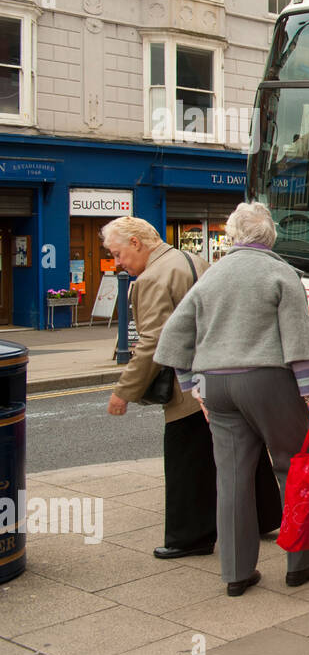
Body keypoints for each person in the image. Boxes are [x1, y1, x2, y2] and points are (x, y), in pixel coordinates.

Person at [155, 202, 309, 597]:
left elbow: (173, 336)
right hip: (267, 380)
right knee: (293, 468)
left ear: (233, 236)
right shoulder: (281, 274)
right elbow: (298, 343)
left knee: (231, 477)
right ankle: (300, 564)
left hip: (217, 384)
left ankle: (236, 574)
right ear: (270, 236)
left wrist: (193, 388)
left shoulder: (212, 277)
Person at [103, 217, 281, 561]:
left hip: (190, 384)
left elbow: (154, 342)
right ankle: (264, 516)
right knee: (241, 446)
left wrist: (124, 390)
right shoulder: (190, 259)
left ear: (137, 243)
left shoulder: (153, 277)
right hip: (225, 370)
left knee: (186, 458)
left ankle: (190, 537)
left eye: (119, 253)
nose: (119, 263)